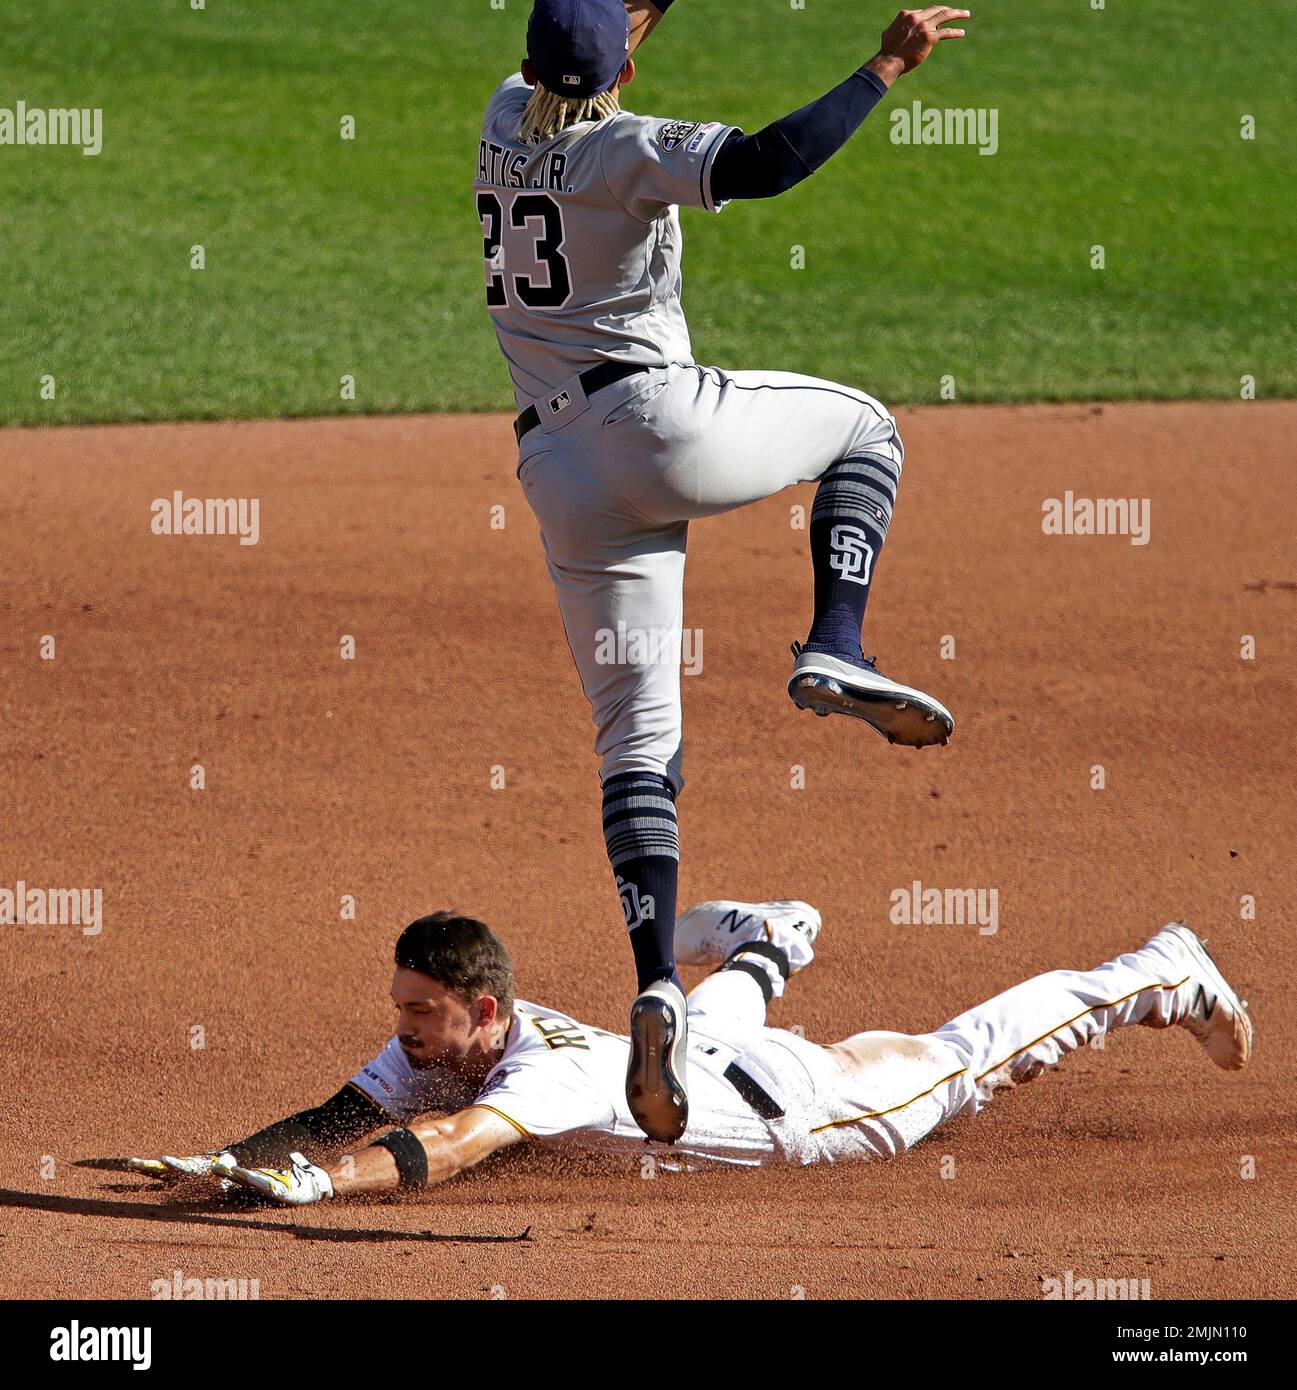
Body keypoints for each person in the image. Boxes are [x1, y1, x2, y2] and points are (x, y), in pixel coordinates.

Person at [475, 0, 971, 1143]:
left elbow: (573, 58)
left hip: (558, 469)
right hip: (657, 427)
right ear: (632, 61)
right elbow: (766, 162)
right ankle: (833, 644)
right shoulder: (630, 148)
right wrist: (885, 66)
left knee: (635, 745)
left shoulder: (501, 114)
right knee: (867, 432)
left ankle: (657, 979)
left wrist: (619, 26)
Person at [127, 904, 1252, 1205]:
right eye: (399, 1009)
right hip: (683, 1063)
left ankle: (1158, 971)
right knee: (699, 1022)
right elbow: (338, 1110)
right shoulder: (455, 1033)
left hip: (800, 1112)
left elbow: (449, 1146)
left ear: (481, 1009)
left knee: (967, 1060)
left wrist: (312, 1187)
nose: (402, 1027)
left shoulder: (534, 1073)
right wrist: (223, 1159)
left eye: (421, 1012)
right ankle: (766, 944)